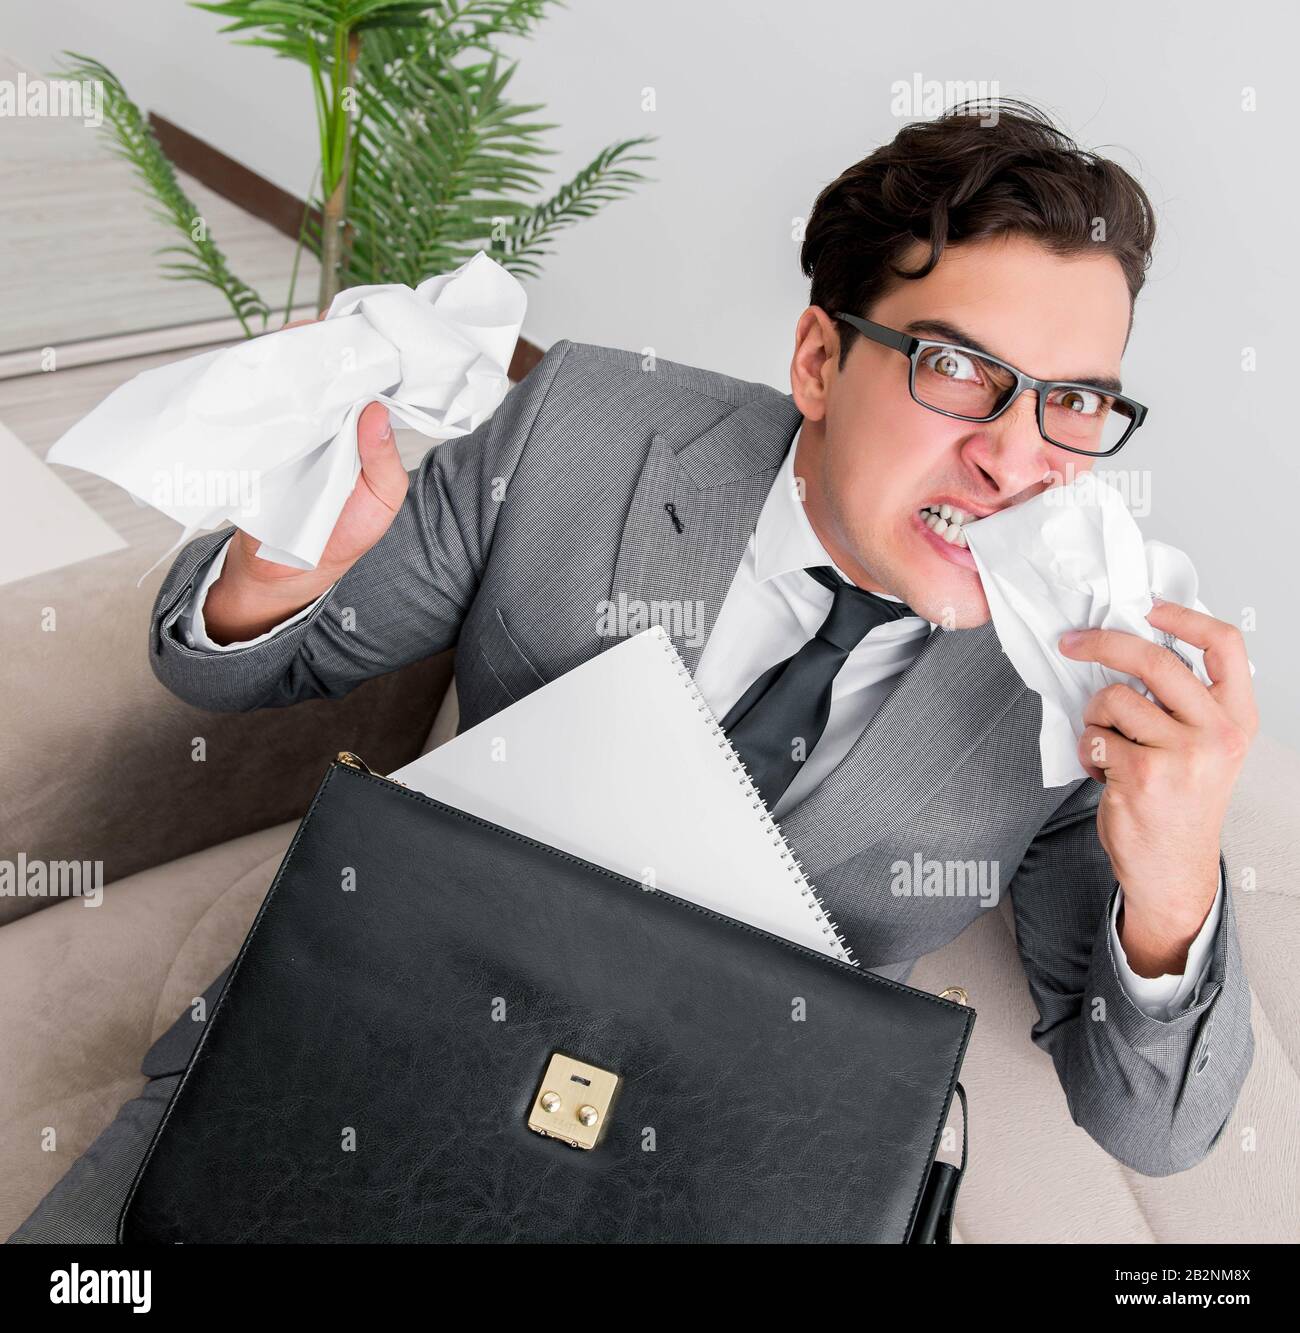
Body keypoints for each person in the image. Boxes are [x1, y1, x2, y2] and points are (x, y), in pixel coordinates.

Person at [11, 97, 1257, 1242]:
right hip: (351, 1043)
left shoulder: (1088, 690)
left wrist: (1172, 880)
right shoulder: (582, 424)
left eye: (1073, 403)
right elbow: (227, 677)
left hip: (713, 1178)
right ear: (821, 361)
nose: (1014, 458)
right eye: (958, 369)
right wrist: (284, 564)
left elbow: (1156, 1128)